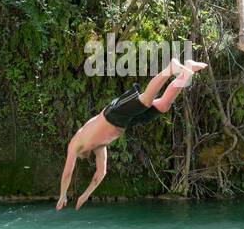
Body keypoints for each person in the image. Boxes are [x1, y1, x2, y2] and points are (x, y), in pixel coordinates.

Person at [57, 59, 208, 210]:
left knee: (145, 101)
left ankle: (170, 68)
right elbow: (101, 172)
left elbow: (67, 173)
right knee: (163, 105)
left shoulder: (75, 144)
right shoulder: (99, 146)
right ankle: (187, 71)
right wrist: (85, 195)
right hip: (126, 122)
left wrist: (63, 194)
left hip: (114, 113)